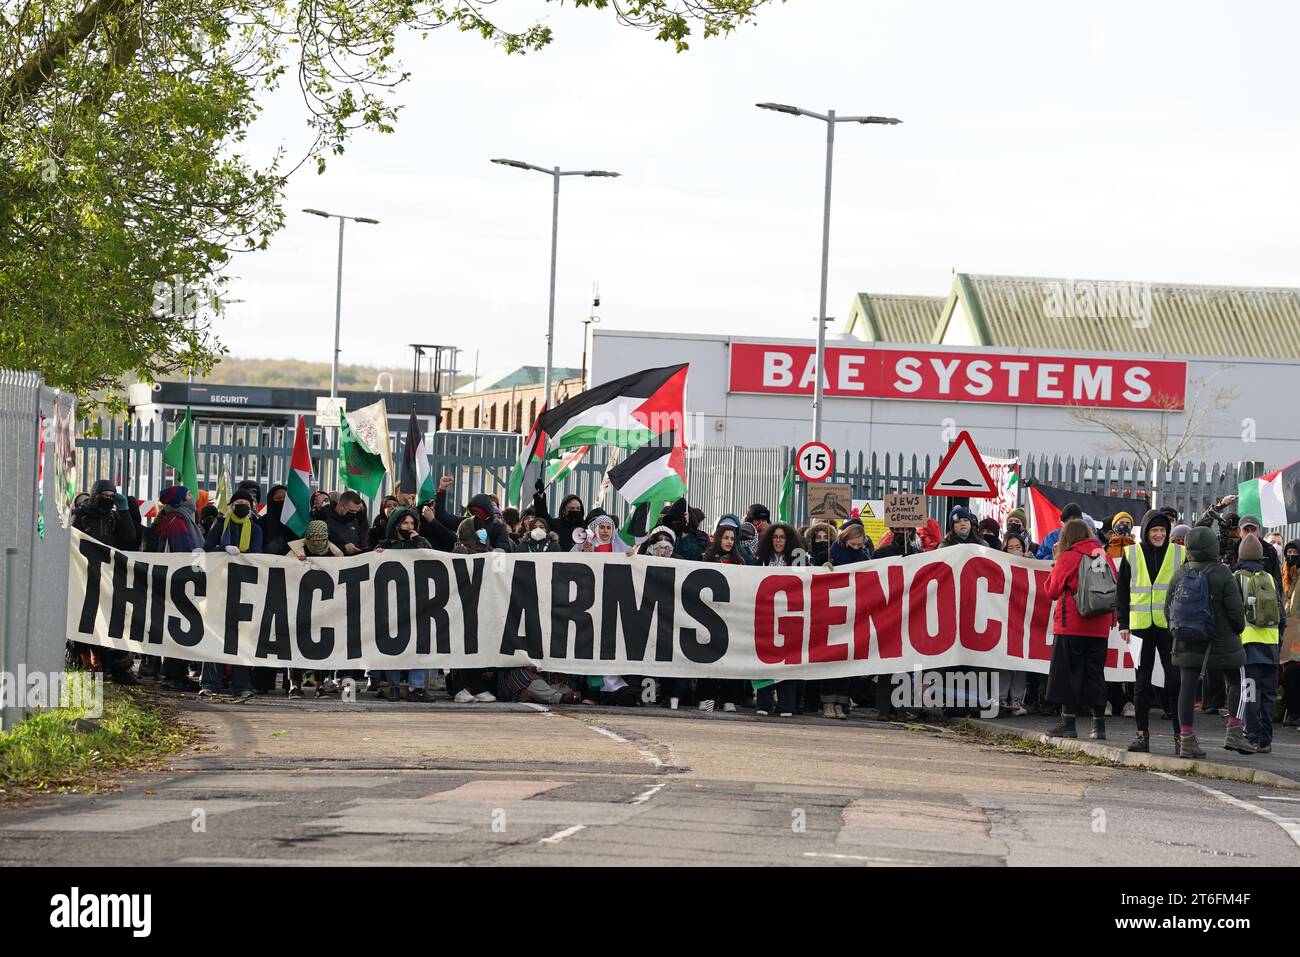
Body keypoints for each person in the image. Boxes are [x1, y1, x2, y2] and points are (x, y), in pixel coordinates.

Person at [1165, 525, 1252, 757]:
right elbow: (1236, 614)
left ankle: (1187, 740)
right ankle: (1235, 731)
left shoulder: (1180, 573)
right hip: (1222, 643)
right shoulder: (1222, 573)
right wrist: (1235, 630)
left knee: (1187, 688)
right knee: (1238, 681)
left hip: (1187, 642)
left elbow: (1168, 610)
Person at [1117, 509, 1184, 753]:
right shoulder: (1131, 553)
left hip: (1169, 627)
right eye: (1154, 530)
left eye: (1163, 531)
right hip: (1140, 627)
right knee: (1142, 683)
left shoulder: (1180, 553)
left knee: (1175, 681)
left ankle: (1181, 736)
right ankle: (1142, 735)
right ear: (1145, 532)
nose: (1158, 535)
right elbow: (1122, 591)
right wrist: (1123, 623)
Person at [1043, 519, 1117, 739]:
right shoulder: (1104, 556)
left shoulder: (1069, 557)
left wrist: (1057, 560)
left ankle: (1068, 723)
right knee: (1096, 674)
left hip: (1071, 625)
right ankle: (1098, 726)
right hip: (1100, 626)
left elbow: (1052, 590)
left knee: (1068, 674)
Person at [199, 491, 261, 700]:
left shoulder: (256, 529)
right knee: (215, 634)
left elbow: (258, 556)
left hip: (244, 591)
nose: (242, 505)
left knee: (241, 639)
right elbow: (207, 548)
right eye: (238, 502)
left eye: (246, 502)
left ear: (252, 506)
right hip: (219, 588)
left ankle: (242, 685)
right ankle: (209, 683)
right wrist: (223, 549)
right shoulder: (220, 525)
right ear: (231, 505)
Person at [1232, 533, 1284, 752]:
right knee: (1268, 694)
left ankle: (1251, 736)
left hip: (1247, 645)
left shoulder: (1237, 577)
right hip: (1270, 646)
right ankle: (1266, 739)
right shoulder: (1270, 579)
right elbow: (1281, 615)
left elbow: (1232, 612)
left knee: (1250, 692)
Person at [287, 520, 344, 697]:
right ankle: (295, 684)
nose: (318, 543)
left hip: (325, 607)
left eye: (321, 540)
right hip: (299, 604)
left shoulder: (336, 554)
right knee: (294, 645)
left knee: (324, 645)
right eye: (314, 540)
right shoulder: (294, 553)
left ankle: (320, 685)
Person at [1281, 539, 1300, 728]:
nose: (1291, 555)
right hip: (1289, 629)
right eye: (1289, 552)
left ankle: (1293, 711)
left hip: (1297, 629)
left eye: (1295, 552)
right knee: (1289, 671)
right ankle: (1289, 711)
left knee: (1294, 670)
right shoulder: (1285, 573)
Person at [322, 490, 366, 555]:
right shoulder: (325, 520)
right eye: (351, 510)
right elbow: (318, 550)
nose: (354, 514)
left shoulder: (354, 522)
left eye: (356, 511)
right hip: (334, 563)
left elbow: (361, 544)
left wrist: (372, 551)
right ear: (341, 506)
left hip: (354, 563)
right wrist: (343, 549)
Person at [259, 483, 293, 556]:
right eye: (278, 498)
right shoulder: (262, 523)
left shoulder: (296, 522)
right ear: (271, 501)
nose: (283, 501)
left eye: (285, 498)